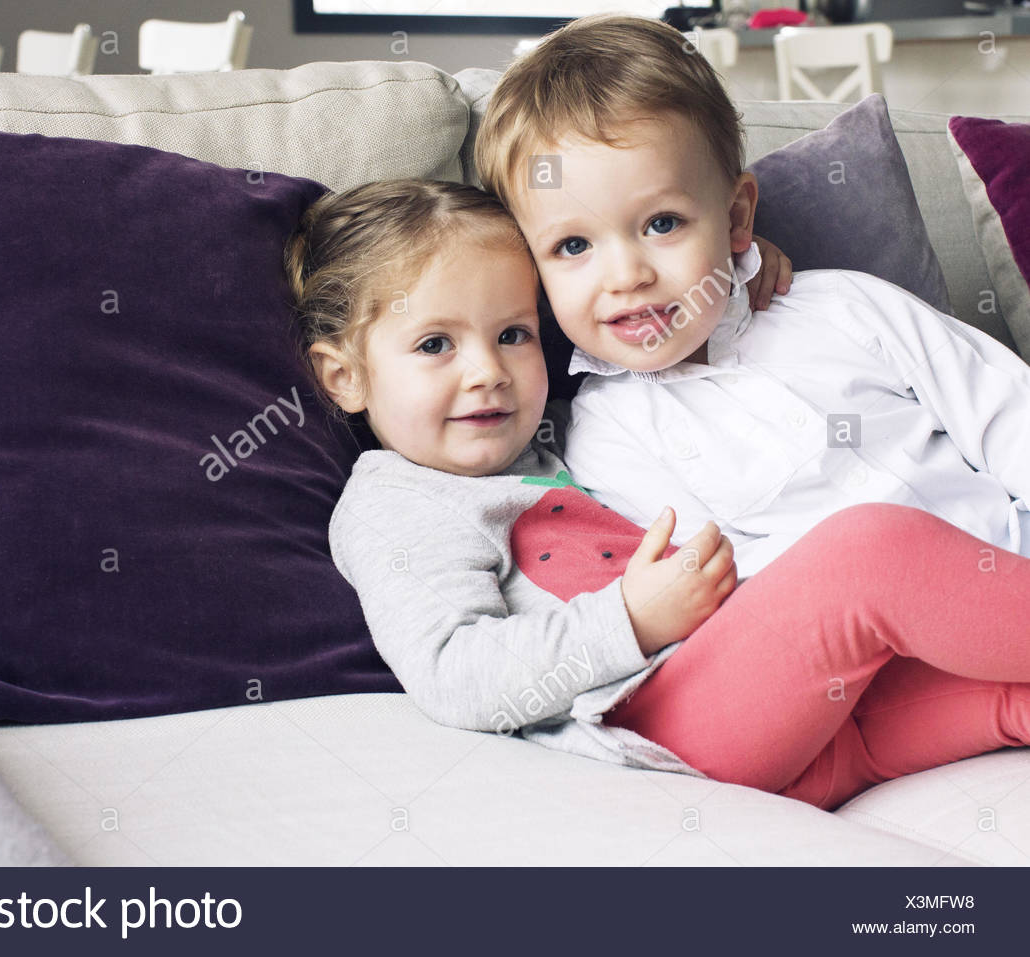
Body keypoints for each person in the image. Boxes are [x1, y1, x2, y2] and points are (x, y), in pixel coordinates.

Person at [284, 178, 1030, 811]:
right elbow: (456, 675)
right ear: (344, 375)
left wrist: (737, 277)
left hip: (805, 726)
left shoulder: (567, 436)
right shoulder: (397, 502)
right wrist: (630, 619)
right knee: (870, 552)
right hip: (670, 725)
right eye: (434, 345)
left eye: (512, 333)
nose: (487, 371)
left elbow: (654, 354)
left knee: (998, 694)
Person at [474, 12, 1030, 581]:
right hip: (884, 637)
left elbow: (1010, 416)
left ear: (736, 215)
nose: (627, 276)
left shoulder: (848, 307)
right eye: (572, 245)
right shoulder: (608, 438)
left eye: (662, 224)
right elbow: (734, 589)